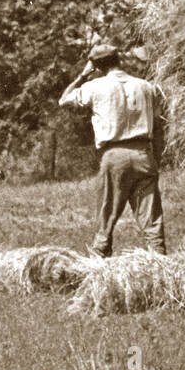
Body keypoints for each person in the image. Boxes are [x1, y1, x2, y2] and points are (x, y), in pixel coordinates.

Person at [59, 42, 167, 257]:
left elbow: (64, 101)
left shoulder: (94, 86)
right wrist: (156, 159)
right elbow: (159, 127)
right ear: (119, 60)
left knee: (106, 216)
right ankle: (160, 264)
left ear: (96, 67)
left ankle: (99, 264)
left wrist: (82, 77)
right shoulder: (146, 87)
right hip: (143, 154)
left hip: (113, 155)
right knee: (152, 220)